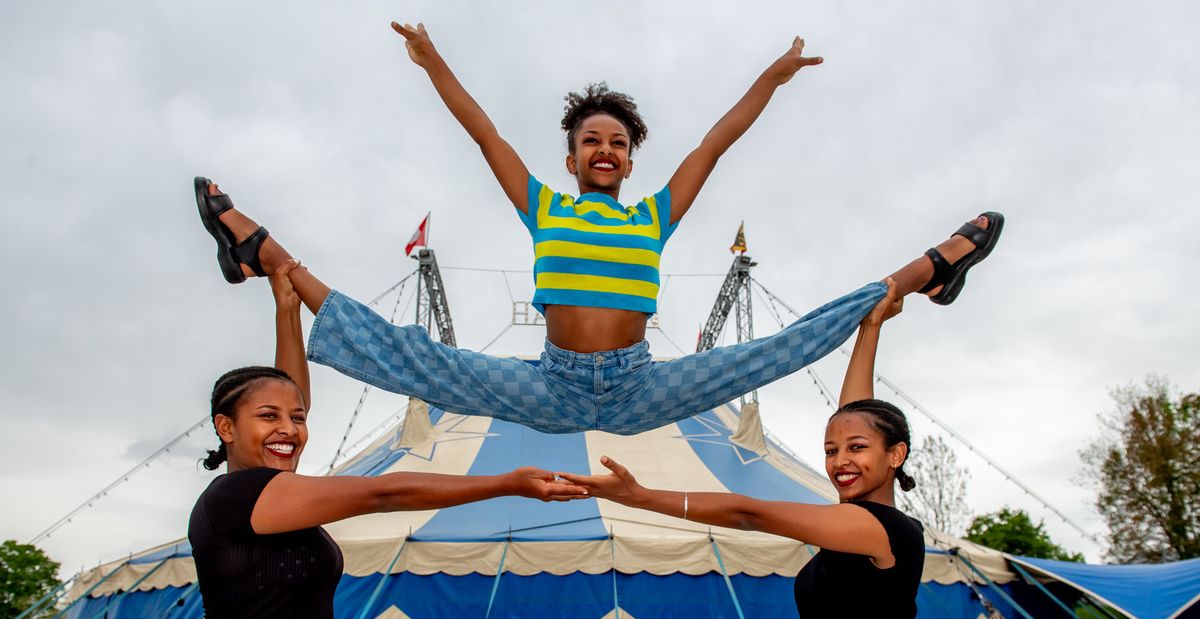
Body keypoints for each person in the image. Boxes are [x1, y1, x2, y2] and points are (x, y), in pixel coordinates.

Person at [194, 22, 1003, 435]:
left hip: (638, 383)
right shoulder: (546, 208)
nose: (606, 149)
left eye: (618, 141)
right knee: (418, 359)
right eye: (592, 141)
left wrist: (773, 75)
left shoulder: (654, 216)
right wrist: (433, 61)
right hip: (548, 383)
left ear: (631, 156)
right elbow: (485, 135)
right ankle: (262, 251)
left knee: (770, 350)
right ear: (573, 156)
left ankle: (928, 270)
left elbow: (716, 141)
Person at [152, 265, 588, 619]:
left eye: (297, 418)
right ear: (226, 428)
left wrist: (286, 308)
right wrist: (505, 483)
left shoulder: (278, 494)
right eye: (268, 418)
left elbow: (290, 397)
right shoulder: (235, 499)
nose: (288, 429)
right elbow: (385, 492)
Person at [557, 281, 956, 619]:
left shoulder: (884, 530)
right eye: (831, 450)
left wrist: (640, 497)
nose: (839, 461)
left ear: (896, 455)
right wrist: (870, 327)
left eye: (856, 449)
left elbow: (749, 512)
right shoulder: (849, 518)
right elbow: (857, 410)